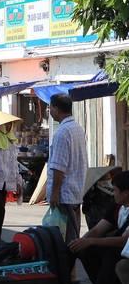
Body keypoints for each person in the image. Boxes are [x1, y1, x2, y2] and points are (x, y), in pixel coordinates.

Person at [70, 170, 129, 284]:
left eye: (115, 191)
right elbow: (97, 230)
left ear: (126, 193)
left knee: (111, 254)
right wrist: (82, 242)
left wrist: (91, 241)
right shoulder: (117, 207)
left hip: (125, 250)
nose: (113, 194)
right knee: (86, 251)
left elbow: (123, 241)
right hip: (122, 247)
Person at [46, 94, 88, 245]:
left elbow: (59, 167)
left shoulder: (62, 132)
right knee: (72, 234)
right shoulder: (77, 128)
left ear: (56, 109)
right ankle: (71, 268)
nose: (49, 111)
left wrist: (55, 193)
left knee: (64, 240)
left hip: (65, 194)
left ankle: (67, 267)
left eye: (50, 107)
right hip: (75, 191)